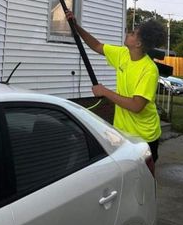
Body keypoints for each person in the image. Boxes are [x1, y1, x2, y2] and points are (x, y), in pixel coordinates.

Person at [65, 11, 166, 164]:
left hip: (144, 136)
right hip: (122, 132)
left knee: (142, 179)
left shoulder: (149, 70)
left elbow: (136, 106)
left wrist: (104, 91)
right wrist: (76, 26)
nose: (128, 33)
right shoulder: (123, 54)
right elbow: (97, 46)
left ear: (138, 44)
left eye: (133, 33)